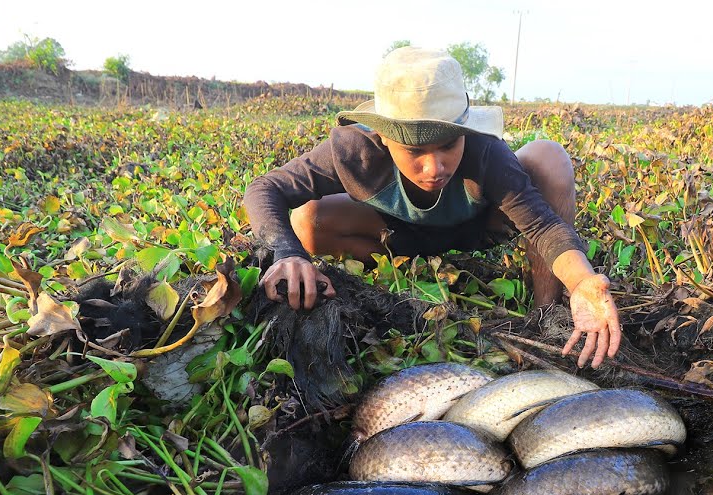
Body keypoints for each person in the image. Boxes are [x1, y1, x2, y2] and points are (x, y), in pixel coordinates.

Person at [243, 46, 621, 368]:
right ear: (384, 138)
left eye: (447, 146)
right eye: (415, 151)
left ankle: (544, 313)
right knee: (308, 219)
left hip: (477, 229)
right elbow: (265, 189)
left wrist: (582, 281)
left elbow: (543, 227)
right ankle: (397, 271)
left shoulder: (485, 150)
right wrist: (287, 253)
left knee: (548, 156)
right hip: (396, 236)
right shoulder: (353, 151)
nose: (435, 167)